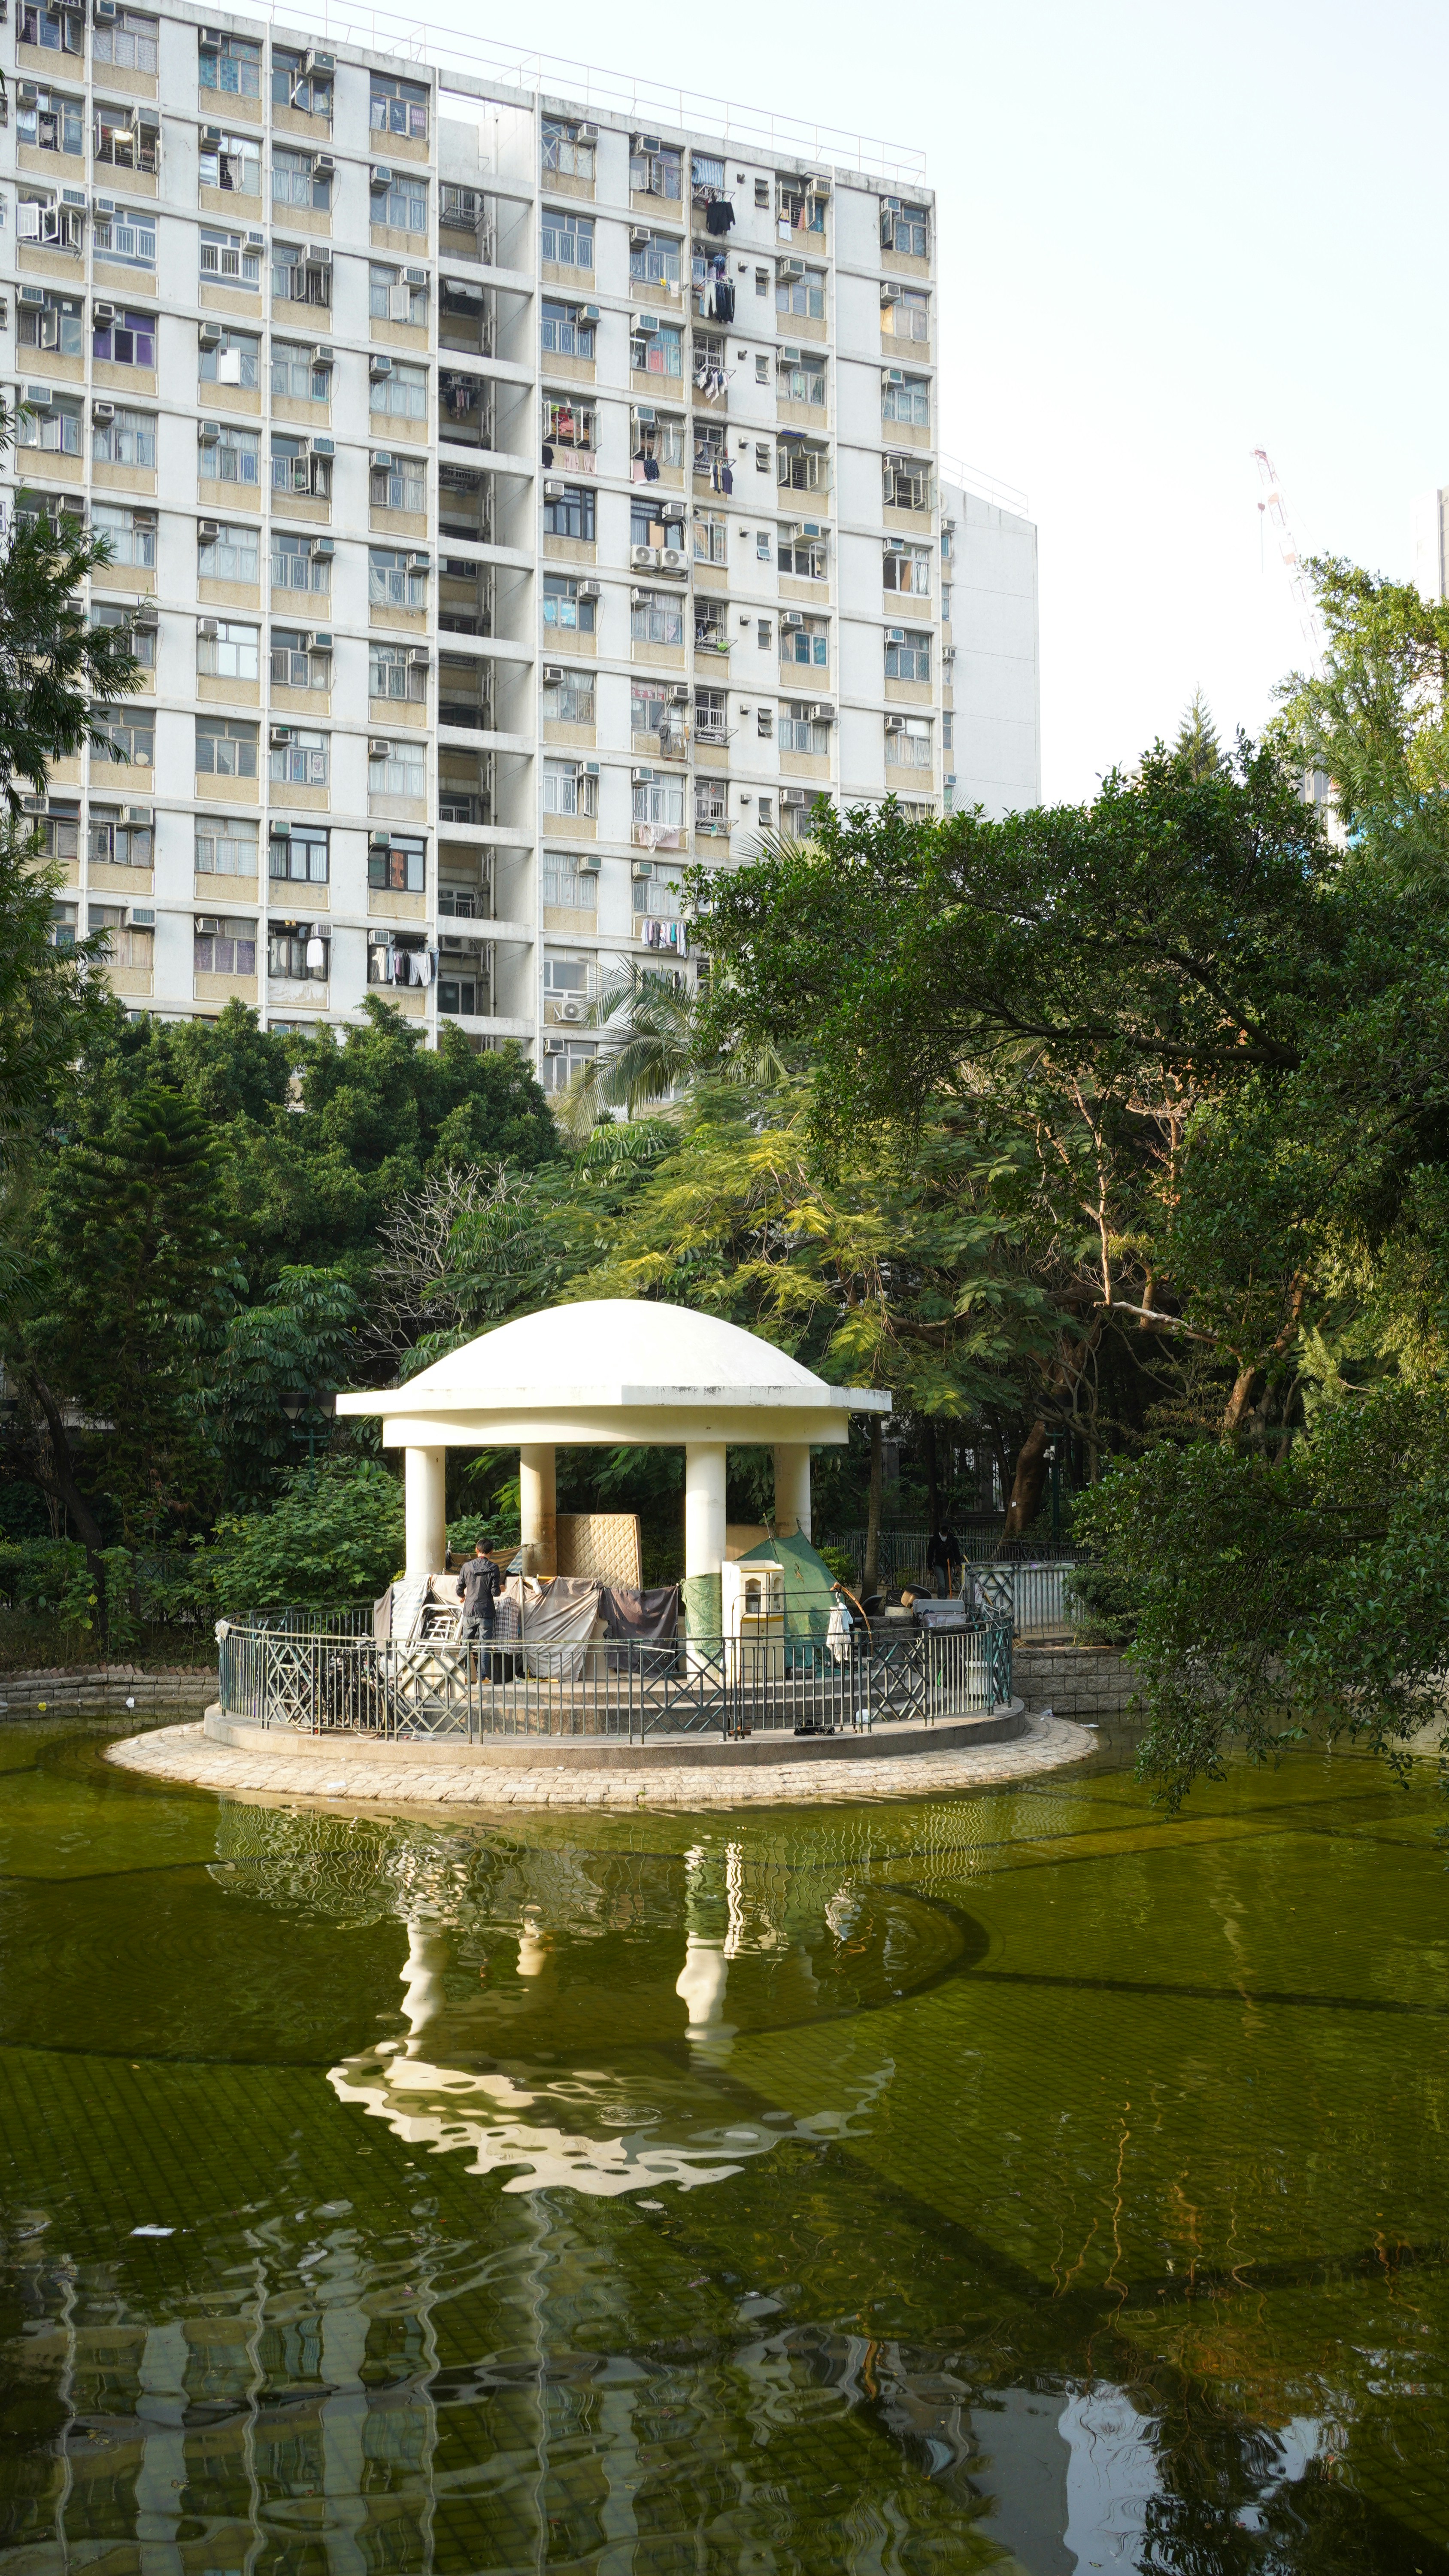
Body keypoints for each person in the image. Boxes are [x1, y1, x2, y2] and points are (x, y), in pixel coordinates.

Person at [456, 1540, 502, 1674]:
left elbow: (459, 1588)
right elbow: (495, 1592)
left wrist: (462, 1596)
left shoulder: (467, 1567)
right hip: (486, 1612)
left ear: (477, 1550)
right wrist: (501, 1589)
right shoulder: (494, 1568)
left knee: (466, 1644)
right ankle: (482, 1678)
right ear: (492, 1552)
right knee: (485, 1646)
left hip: (469, 1611)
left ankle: (459, 1675)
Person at [926, 1519, 963, 1599]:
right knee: (942, 1584)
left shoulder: (952, 1539)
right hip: (938, 1565)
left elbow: (956, 1552)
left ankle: (945, 1599)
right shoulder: (935, 1539)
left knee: (947, 1585)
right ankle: (941, 1599)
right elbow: (930, 1553)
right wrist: (930, 1567)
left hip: (949, 1565)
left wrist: (958, 1564)